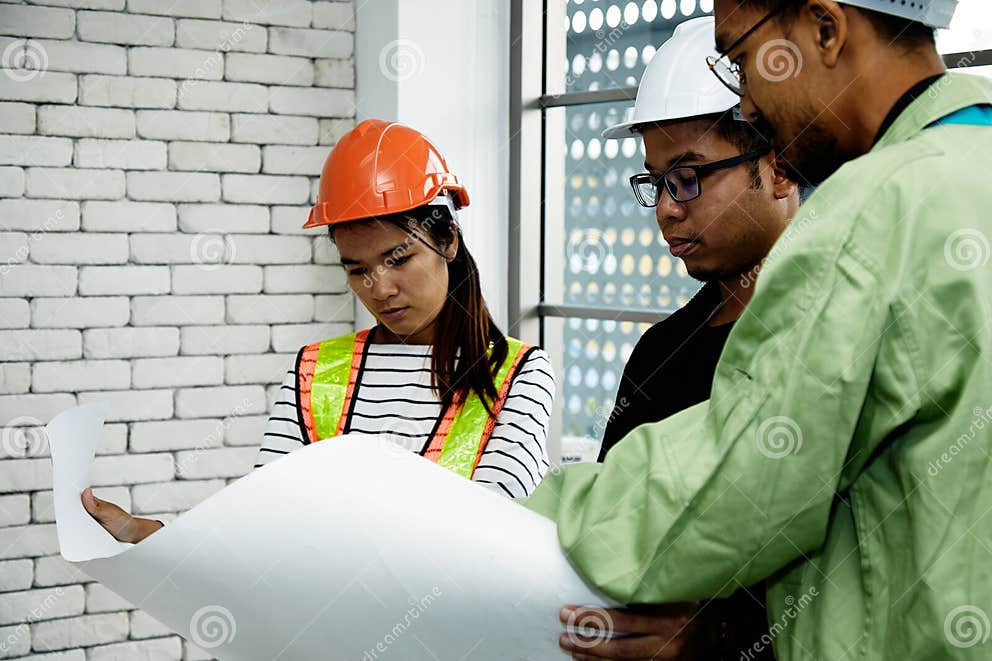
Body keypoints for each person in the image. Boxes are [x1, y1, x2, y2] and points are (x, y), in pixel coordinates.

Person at [527, 1, 992, 660]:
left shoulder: (868, 215)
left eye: (743, 59)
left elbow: (739, 478)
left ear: (825, 29)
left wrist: (508, 525)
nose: (747, 101)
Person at [83, 119, 556, 545]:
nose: (380, 288)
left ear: (447, 240)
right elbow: (263, 528)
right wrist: (158, 540)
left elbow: (495, 540)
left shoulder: (519, 376)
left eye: (398, 259)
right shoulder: (317, 370)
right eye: (357, 269)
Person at [561, 17, 799, 660]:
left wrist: (720, 638)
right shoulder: (661, 353)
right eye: (656, 180)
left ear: (776, 166)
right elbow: (610, 524)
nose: (668, 207)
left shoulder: (825, 336)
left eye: (689, 175)